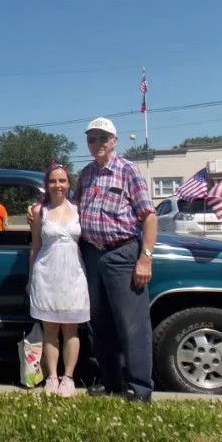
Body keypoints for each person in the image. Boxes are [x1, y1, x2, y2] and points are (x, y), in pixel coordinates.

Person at [73, 117, 158, 402]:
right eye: (91, 138)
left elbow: (149, 216)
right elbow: (71, 209)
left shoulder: (128, 170)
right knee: (98, 323)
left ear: (114, 141)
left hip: (122, 253)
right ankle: (110, 381)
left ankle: (140, 388)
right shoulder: (86, 174)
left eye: (102, 138)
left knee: (132, 325)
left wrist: (145, 258)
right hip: (91, 253)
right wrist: (40, 210)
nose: (96, 143)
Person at [26, 164, 90, 397]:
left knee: (71, 329)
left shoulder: (78, 209)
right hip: (46, 274)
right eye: (53, 181)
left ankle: (68, 377)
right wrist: (31, 279)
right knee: (50, 329)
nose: (58, 185)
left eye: (62, 180)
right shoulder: (38, 211)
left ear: (69, 184)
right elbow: (35, 248)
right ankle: (52, 376)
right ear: (47, 185)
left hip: (74, 274)